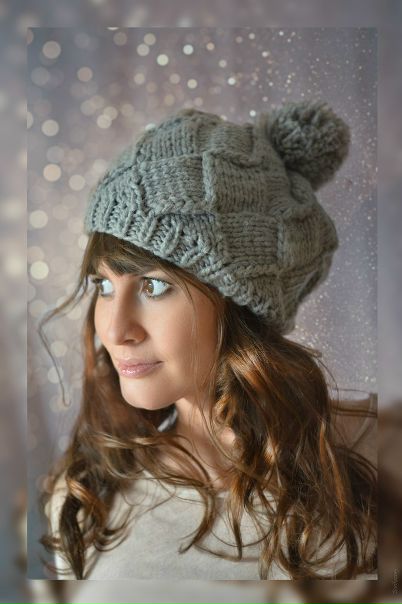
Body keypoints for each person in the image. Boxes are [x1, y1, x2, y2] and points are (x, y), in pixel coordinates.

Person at [39, 101, 377, 580]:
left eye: (154, 285)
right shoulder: (85, 500)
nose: (113, 330)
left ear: (240, 301)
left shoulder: (376, 453)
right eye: (104, 285)